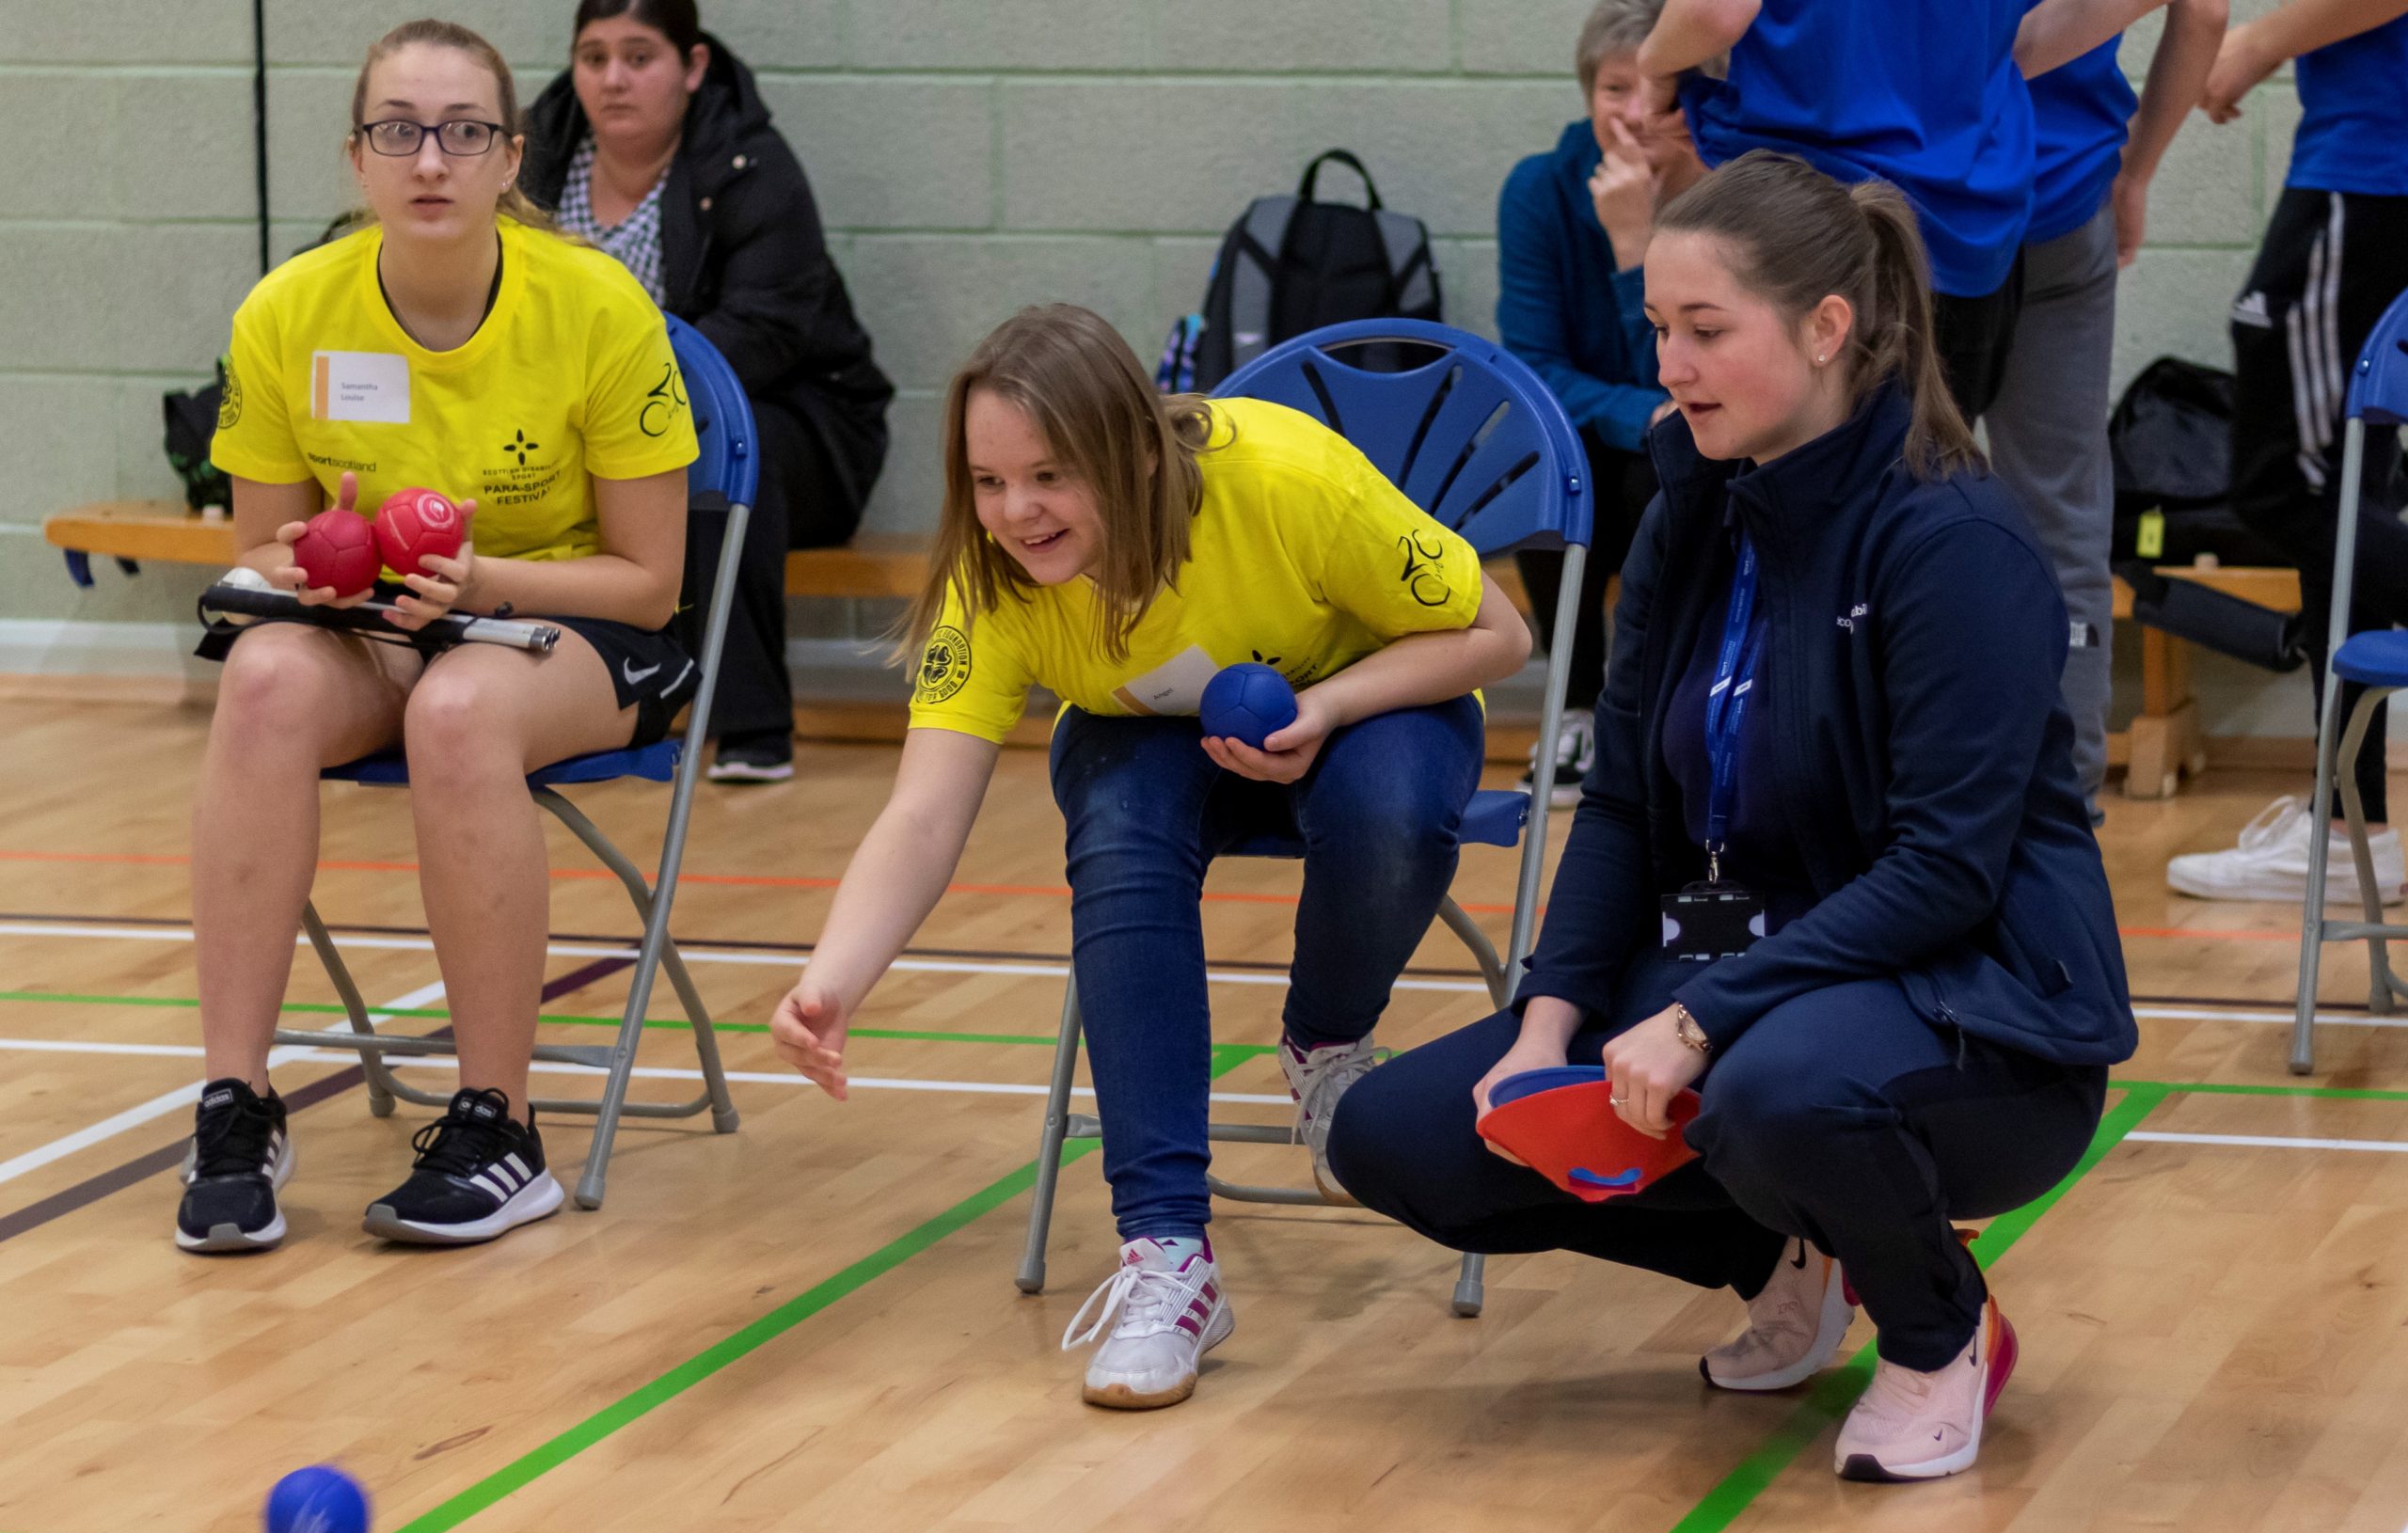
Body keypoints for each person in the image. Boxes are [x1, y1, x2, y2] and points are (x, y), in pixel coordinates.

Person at [1328, 153, 2138, 1484]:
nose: (1671, 365)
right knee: (1402, 1135)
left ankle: (1936, 1328)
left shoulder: (1955, 543)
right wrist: (1545, 1027)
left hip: (1973, 1003)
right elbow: (1628, 799)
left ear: (1828, 328)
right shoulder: (1692, 506)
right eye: (1659, 330)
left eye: (1707, 332)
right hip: (1746, 969)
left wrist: (1701, 1019)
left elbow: (1942, 871)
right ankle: (1791, 1250)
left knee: (1773, 1089)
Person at [769, 305, 1530, 1411]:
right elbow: (925, 814)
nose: (1015, 513)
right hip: (1144, 737)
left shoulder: (1285, 477)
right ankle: (1168, 1257)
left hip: (1377, 698)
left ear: (1131, 451)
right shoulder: (989, 587)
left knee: (1393, 808)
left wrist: (1323, 706)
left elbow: (1498, 637)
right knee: (1118, 831)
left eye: (1048, 476)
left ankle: (1323, 1044)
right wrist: (832, 980)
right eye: (988, 482)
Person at [185, 19, 699, 1254]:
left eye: (464, 132)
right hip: (379, 626)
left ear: (508, 158)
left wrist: (478, 582)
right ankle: (235, 1101)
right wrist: (326, 577)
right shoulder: (288, 311)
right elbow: (258, 545)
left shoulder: (593, 304)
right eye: (399, 131)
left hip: (568, 627)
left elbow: (650, 580)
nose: (431, 160)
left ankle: (499, 1125)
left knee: (458, 708)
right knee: (258, 678)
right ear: (356, 158)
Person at [522, 0, 894, 784]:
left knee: (719, 447)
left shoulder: (751, 166)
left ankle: (753, 725)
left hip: (803, 421)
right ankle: (533, 693)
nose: (613, 80)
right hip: (589, 425)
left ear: (691, 67)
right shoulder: (533, 160)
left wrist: (616, 405)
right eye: (593, 58)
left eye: (638, 57)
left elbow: (762, 335)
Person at [2164, 0, 2408, 904]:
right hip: (2370, 161)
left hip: (2373, 168)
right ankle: (2351, 828)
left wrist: (2257, 43)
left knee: (2290, 490)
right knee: (2342, 500)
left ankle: (2351, 827)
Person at [1993, 0, 2228, 821]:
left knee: (1889, 497)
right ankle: (2067, 814)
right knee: (2062, 519)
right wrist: (2137, 174)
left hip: (1913, 194)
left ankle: (1898, 817)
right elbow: (2206, 11)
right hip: (2065, 196)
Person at [1635, 0, 2034, 421]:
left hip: (1803, 206)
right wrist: (1980, 82)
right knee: (1926, 467)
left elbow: (1713, 13)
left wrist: (1654, 67)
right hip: (1971, 221)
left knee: (1774, 467)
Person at [1497, 0, 1704, 809]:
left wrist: (1635, 247)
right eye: (1618, 88)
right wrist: (1636, 413)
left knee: (1662, 475)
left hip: (1686, 436)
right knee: (1545, 473)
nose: (1638, 114)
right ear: (1589, 93)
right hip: (1591, 430)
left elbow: (1689, 376)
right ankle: (1573, 708)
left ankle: (1649, 710)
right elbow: (1535, 367)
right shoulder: (1539, 191)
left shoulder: (1725, 193)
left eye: (1664, 92)